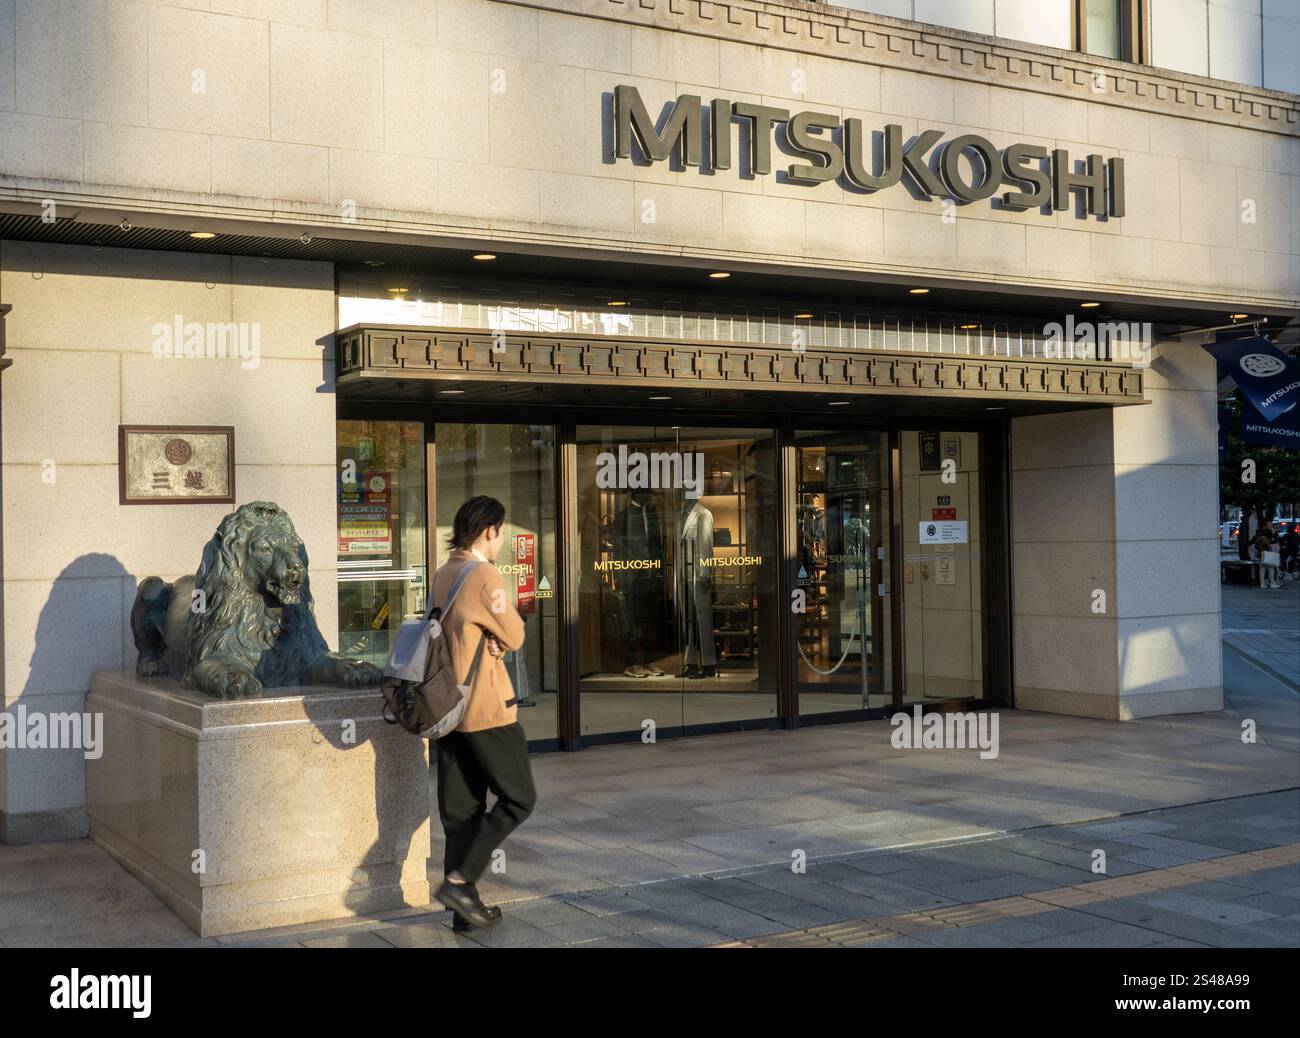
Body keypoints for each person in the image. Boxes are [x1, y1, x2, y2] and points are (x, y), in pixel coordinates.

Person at [430, 495, 534, 931]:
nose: (502, 540)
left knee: (462, 811)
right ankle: (458, 879)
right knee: (518, 797)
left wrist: (488, 637)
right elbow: (514, 631)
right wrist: (500, 637)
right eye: (502, 532)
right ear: (489, 530)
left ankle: (464, 913)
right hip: (486, 711)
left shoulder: (444, 573)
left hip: (447, 709)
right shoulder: (483, 574)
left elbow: (460, 632)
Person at [1254, 523, 1280, 589]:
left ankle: (1262, 584)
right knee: (1271, 569)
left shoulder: (1259, 538)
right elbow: (1269, 548)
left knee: (1262, 570)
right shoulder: (1266, 539)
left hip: (1260, 555)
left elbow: (1255, 546)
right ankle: (1272, 583)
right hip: (1266, 554)